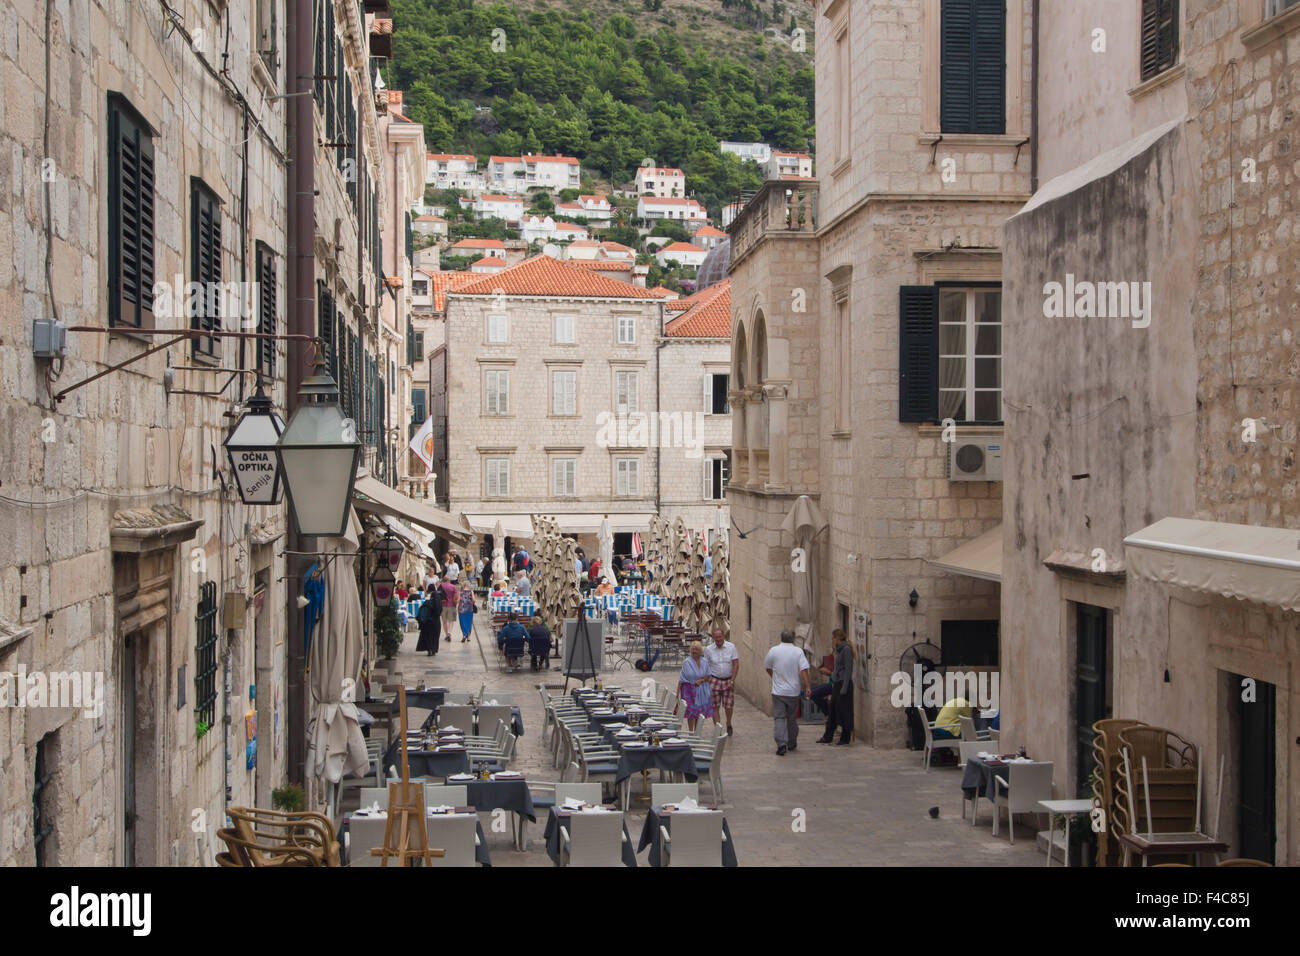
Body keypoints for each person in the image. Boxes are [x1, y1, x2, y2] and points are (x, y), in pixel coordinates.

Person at [764, 629, 811, 755]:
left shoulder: (774, 650)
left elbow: (767, 666)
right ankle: (791, 742)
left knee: (779, 717)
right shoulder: (798, 651)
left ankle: (781, 744)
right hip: (793, 692)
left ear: (781, 638)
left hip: (778, 692)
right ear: (793, 639)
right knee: (792, 718)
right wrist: (808, 686)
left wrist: (774, 677)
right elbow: (804, 669)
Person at [816, 628, 855, 746]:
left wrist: (844, 688)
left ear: (838, 638)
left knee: (844, 711)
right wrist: (833, 679)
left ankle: (845, 738)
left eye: (833, 638)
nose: (832, 640)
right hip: (837, 683)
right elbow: (837, 669)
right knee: (833, 710)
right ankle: (828, 736)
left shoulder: (846, 650)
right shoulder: (837, 650)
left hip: (844, 684)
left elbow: (848, 670)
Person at [703, 628, 740, 735]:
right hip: (714, 680)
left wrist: (732, 680)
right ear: (713, 638)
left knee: (728, 705)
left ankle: (729, 723)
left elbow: (736, 664)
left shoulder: (731, 647)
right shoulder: (708, 649)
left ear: (723, 636)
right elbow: (706, 666)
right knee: (715, 706)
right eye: (716, 637)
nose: (718, 639)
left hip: (728, 680)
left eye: (720, 637)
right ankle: (718, 729)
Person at [678, 641, 714, 733]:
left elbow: (708, 675)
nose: (694, 651)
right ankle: (691, 732)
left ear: (700, 650)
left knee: (699, 712)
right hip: (688, 690)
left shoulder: (704, 662)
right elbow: (681, 678)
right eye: (693, 649)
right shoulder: (687, 662)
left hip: (701, 690)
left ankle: (697, 732)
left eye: (696, 649)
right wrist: (677, 693)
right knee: (690, 712)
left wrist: (701, 680)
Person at [415, 582, 442, 656]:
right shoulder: (438, 598)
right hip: (436, 620)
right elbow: (439, 609)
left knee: (428, 635)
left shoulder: (428, 598)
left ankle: (429, 649)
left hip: (428, 620)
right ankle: (433, 649)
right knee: (435, 636)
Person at [456, 573, 477, 643]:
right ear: (468, 585)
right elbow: (474, 600)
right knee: (469, 623)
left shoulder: (460, 592)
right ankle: (469, 637)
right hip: (469, 609)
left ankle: (464, 635)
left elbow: (458, 600)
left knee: (462, 623)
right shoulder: (471, 592)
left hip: (461, 610)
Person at [440, 575, 458, 641]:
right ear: (449, 580)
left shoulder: (440, 586)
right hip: (451, 605)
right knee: (451, 621)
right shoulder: (453, 587)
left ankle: (446, 634)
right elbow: (455, 597)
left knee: (444, 621)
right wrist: (455, 604)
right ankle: (449, 632)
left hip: (443, 605)